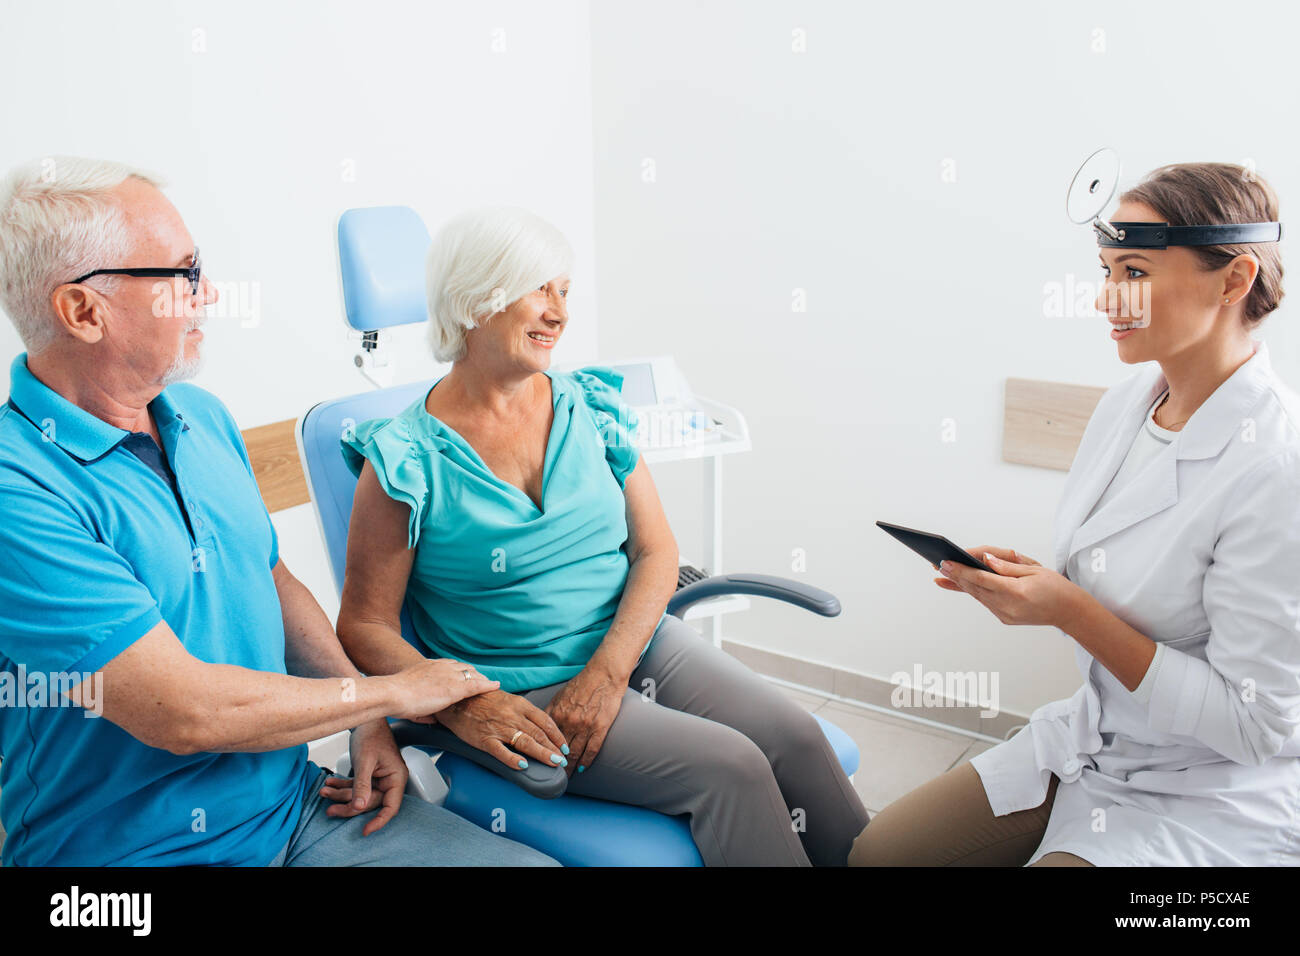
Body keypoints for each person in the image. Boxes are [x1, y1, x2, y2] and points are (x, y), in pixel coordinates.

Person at [0, 157, 557, 866]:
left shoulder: (198, 417)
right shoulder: (17, 491)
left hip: (293, 810)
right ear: (83, 311)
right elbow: (184, 712)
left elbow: (270, 578)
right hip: (129, 859)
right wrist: (392, 692)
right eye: (183, 274)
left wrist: (366, 725)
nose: (210, 294)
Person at [334, 205, 870, 866]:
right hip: (527, 688)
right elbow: (364, 626)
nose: (559, 312)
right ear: (474, 301)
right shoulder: (404, 459)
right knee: (733, 768)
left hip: (634, 643)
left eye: (564, 291)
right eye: (539, 289)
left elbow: (655, 552)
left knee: (796, 737)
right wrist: (459, 703)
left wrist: (611, 670)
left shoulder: (591, 408)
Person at [850, 162, 1300, 866]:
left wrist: (1068, 610)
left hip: (1209, 793)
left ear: (1233, 280)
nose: (1104, 298)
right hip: (1092, 740)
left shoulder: (1275, 467)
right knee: (879, 856)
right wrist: (1031, 586)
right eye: (1105, 269)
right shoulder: (1128, 405)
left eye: (1136, 273)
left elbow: (1254, 727)